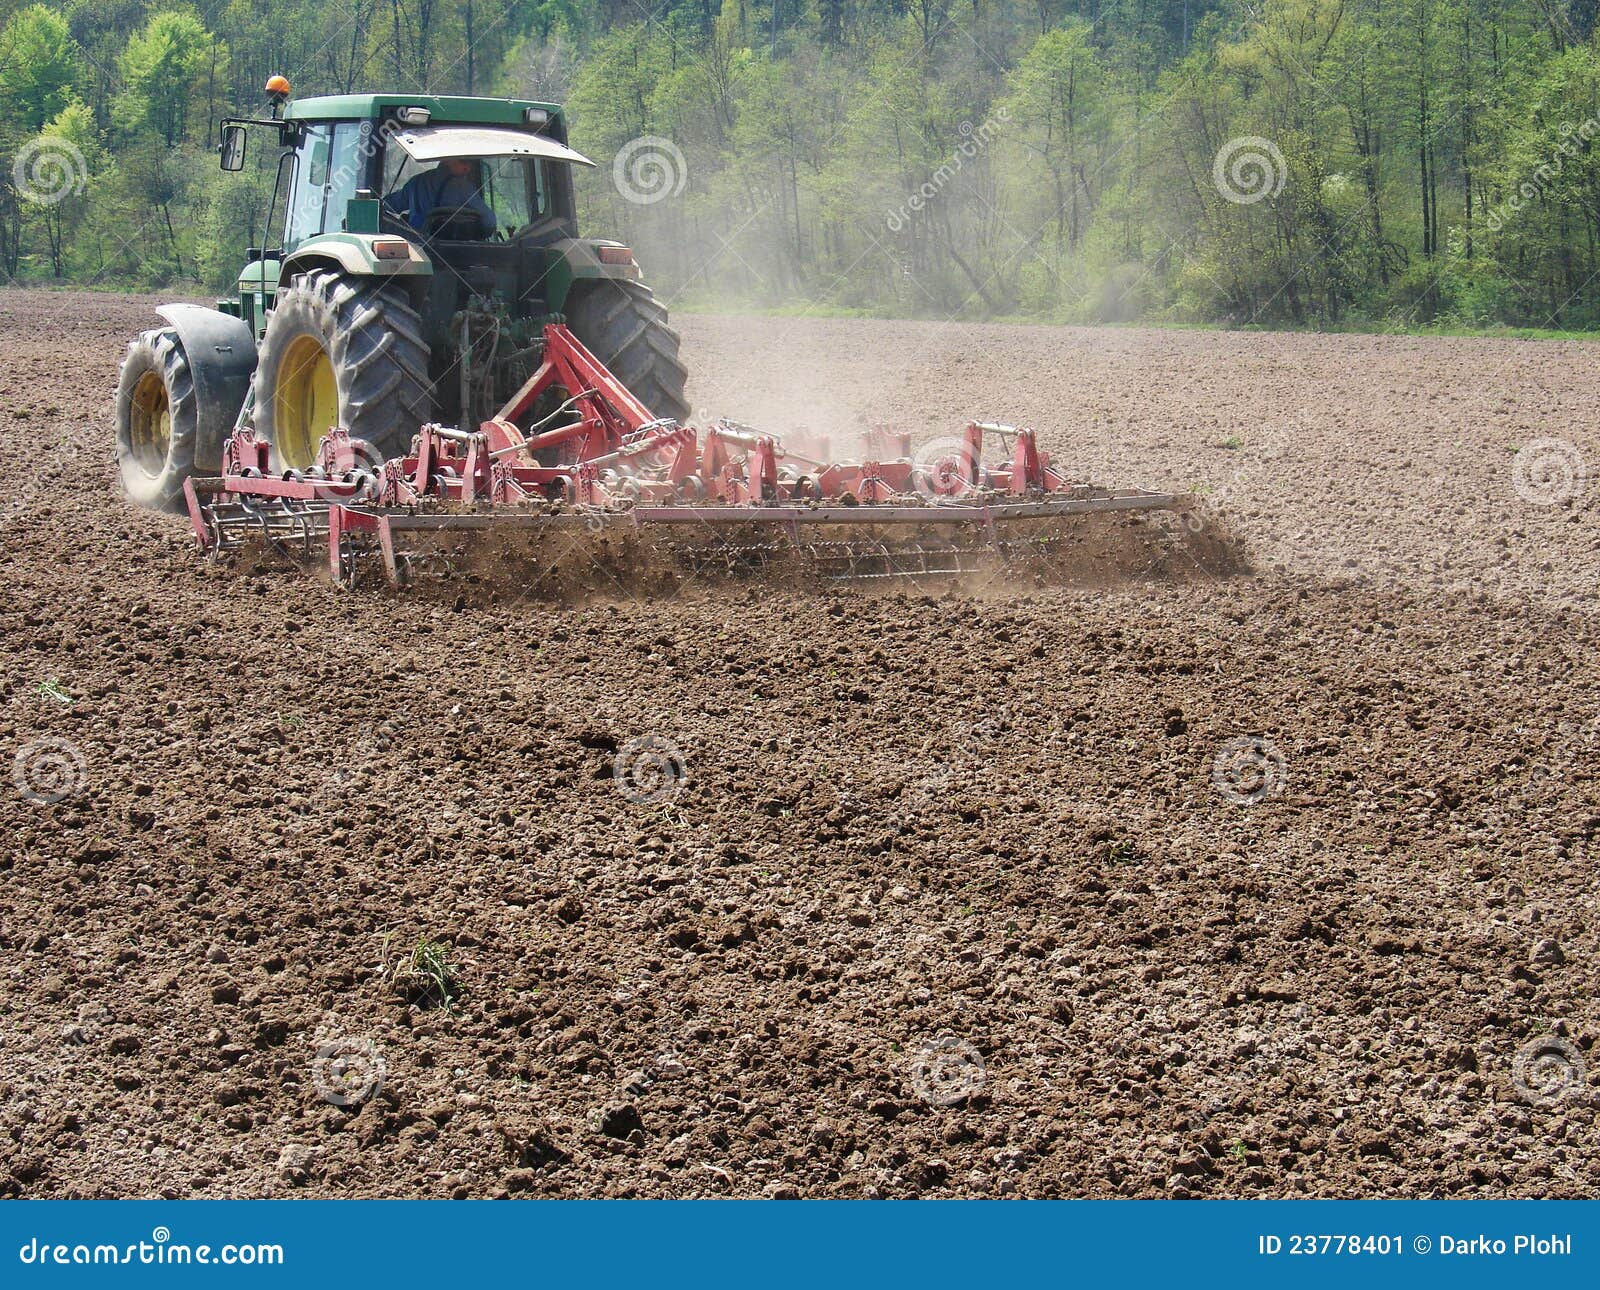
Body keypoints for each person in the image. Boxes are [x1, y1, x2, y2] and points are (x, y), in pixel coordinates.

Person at [387, 157, 496, 235]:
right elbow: (490, 222)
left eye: (470, 163)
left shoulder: (415, 182)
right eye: (463, 161)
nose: (468, 168)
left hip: (416, 247)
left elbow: (388, 206)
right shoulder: (463, 187)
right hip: (454, 251)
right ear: (448, 159)